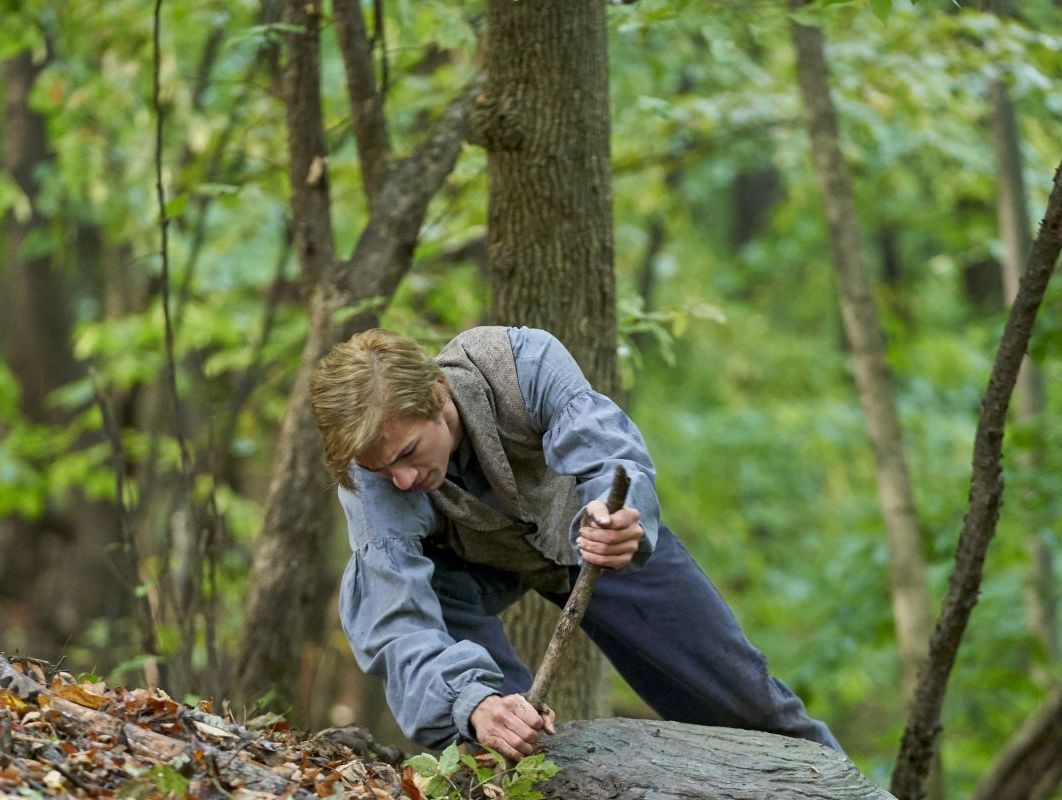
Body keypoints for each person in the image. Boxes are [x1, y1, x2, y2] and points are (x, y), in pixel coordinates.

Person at [311, 324, 842, 760]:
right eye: (380, 468)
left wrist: (619, 519)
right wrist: (471, 703)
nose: (399, 479)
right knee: (499, 739)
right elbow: (397, 621)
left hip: (592, 549)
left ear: (435, 395)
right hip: (467, 576)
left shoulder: (519, 363)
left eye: (407, 453)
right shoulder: (374, 475)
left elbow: (608, 450)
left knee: (747, 700)